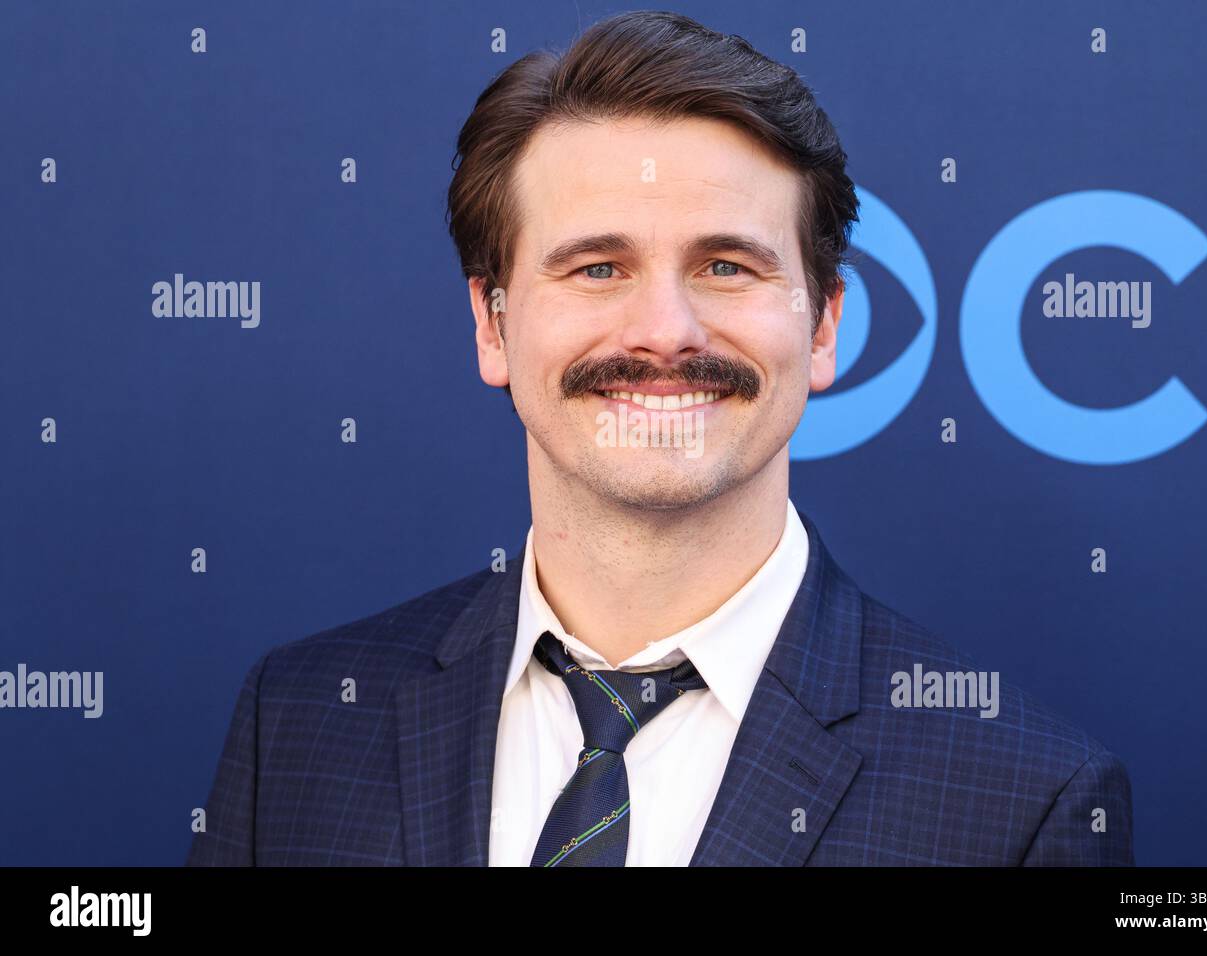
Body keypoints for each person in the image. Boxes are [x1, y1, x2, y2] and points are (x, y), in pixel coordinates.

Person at [187, 10, 1133, 867]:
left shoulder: (1026, 802)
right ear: (493, 324)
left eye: (726, 266)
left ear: (821, 327)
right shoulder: (301, 721)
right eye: (598, 267)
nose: (666, 330)